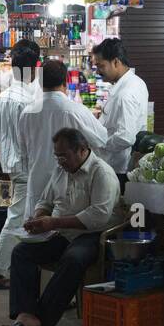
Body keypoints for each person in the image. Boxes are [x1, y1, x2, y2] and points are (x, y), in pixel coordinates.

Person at [0, 127, 121, 326]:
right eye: (57, 156)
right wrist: (38, 218)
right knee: (22, 253)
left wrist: (53, 222)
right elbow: (46, 201)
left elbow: (98, 216)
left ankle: (40, 320)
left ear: (82, 150)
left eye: (64, 155)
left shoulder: (102, 173)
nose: (60, 161)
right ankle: (26, 315)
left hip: (93, 235)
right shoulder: (61, 170)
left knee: (73, 259)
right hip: (63, 232)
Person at [17, 58, 109, 217]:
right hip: (68, 187)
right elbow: (101, 140)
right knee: (64, 234)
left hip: (37, 184)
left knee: (38, 233)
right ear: (65, 81)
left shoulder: (27, 112)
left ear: (40, 83)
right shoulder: (75, 110)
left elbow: (23, 150)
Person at [0, 40, 41, 289]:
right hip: (25, 165)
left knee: (23, 215)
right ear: (35, 67)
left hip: (11, 163)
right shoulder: (27, 100)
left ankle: (16, 267)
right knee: (17, 216)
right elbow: (32, 139)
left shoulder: (4, 98)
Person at [91, 38, 149, 176]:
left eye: (101, 66)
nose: (98, 72)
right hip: (117, 165)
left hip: (116, 167)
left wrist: (100, 143)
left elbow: (125, 137)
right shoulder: (136, 82)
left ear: (116, 62)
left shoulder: (125, 94)